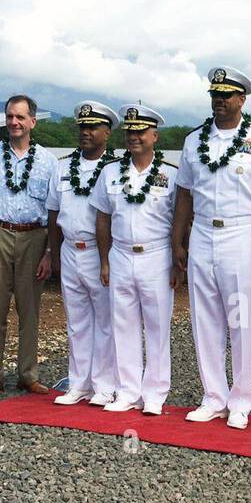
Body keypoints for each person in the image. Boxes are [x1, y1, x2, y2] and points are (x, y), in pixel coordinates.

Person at [172, 66, 251, 429]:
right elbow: (184, 194)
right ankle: (213, 396)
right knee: (204, 317)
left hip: (243, 232)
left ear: (242, 99)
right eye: (215, 94)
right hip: (203, 232)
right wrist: (178, 238)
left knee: (242, 319)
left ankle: (241, 400)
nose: (219, 100)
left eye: (227, 94)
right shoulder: (195, 141)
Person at [0, 94, 59, 397]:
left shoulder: (48, 161)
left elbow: (53, 210)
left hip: (34, 236)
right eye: (9, 116)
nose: (14, 122)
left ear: (33, 121)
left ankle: (28, 374)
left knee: (29, 308)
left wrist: (49, 252)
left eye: (20, 117)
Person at [91, 104, 178, 415]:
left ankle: (155, 394)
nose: (134, 137)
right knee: (122, 325)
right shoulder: (110, 171)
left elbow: (181, 221)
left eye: (140, 131)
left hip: (156, 256)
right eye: (129, 131)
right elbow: (102, 218)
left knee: (157, 327)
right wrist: (104, 261)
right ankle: (128, 392)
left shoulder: (172, 175)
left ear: (154, 135)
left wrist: (177, 263)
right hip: (121, 254)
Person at [48, 101, 120, 406]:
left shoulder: (116, 169)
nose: (86, 132)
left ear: (107, 132)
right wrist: (52, 254)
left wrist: (108, 259)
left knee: (106, 321)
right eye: (82, 127)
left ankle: (104, 385)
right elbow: (53, 212)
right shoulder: (62, 167)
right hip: (69, 249)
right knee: (76, 321)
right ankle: (78, 383)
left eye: (93, 127)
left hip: (100, 252)